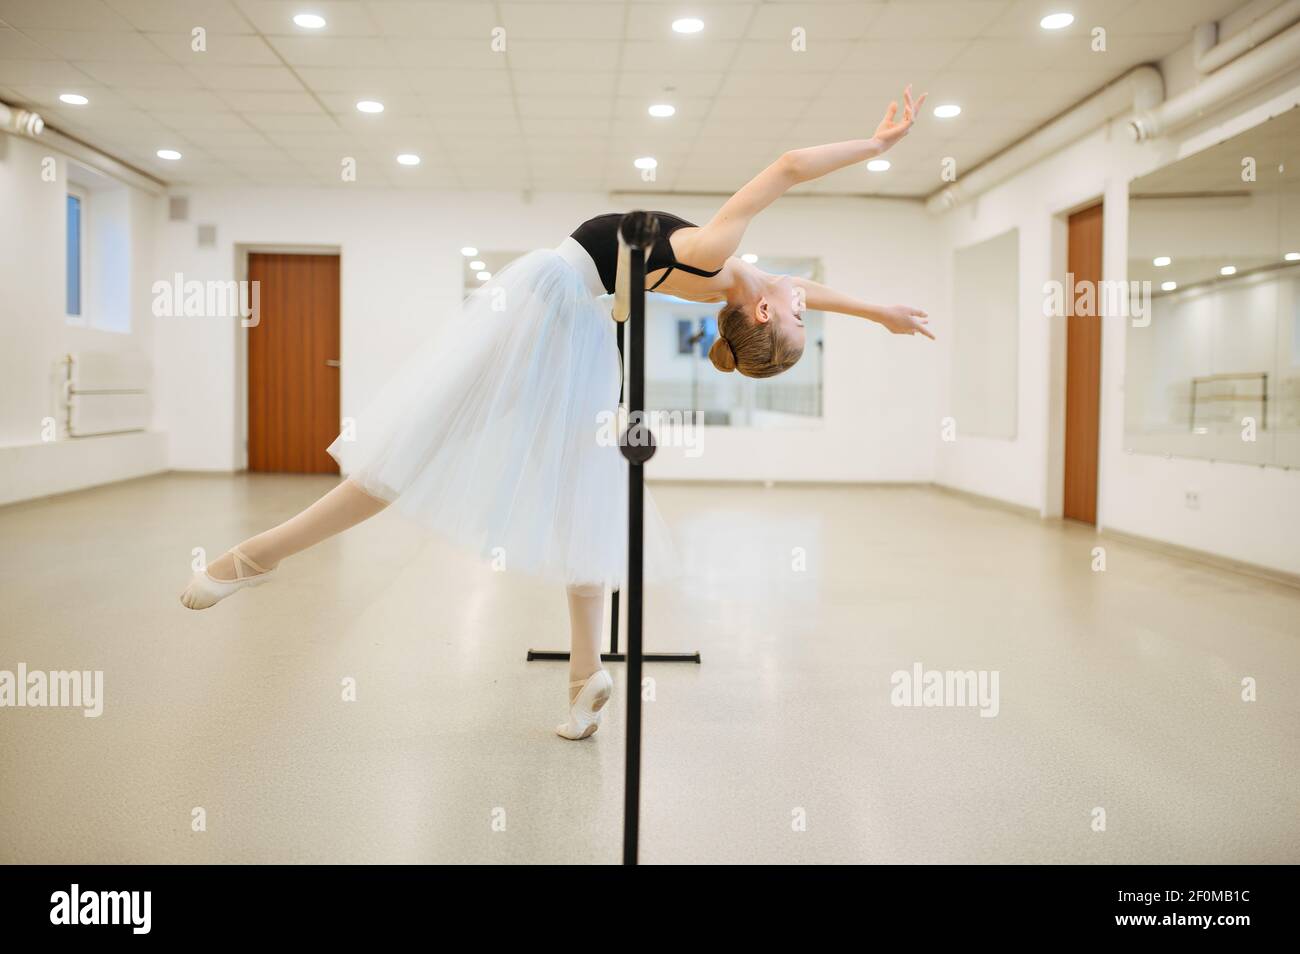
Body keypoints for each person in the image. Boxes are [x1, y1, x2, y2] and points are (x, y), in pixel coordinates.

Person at [180, 86, 934, 741]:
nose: (807, 304)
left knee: (431, 453)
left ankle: (250, 560)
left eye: (800, 316)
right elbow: (798, 270)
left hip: (558, 312)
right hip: (580, 327)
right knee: (573, 491)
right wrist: (879, 309)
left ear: (763, 312)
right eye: (808, 314)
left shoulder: (720, 256)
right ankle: (581, 680)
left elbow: (788, 168)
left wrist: (876, 147)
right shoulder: (736, 279)